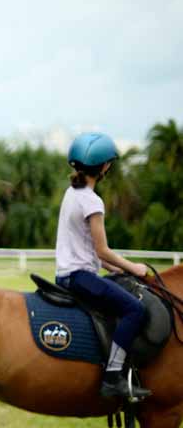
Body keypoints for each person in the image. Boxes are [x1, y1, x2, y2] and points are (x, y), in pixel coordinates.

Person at [54, 132, 152, 401]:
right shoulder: (92, 201)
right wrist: (134, 268)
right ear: (105, 166)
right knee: (135, 309)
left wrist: (115, 268)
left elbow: (91, 250)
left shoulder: (72, 193)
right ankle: (112, 377)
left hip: (67, 274)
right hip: (80, 277)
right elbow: (102, 249)